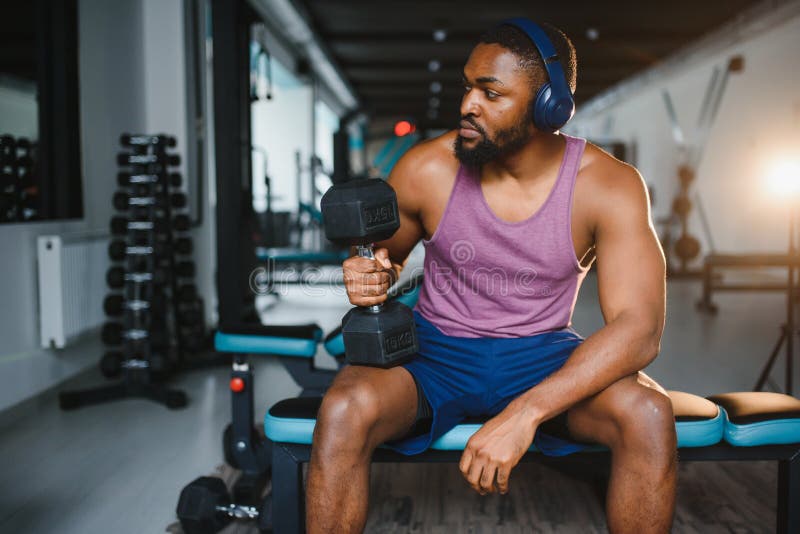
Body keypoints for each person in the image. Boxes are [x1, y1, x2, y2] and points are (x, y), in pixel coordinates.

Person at [307, 19, 676, 534]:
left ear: (549, 106)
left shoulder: (608, 185)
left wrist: (526, 413)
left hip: (544, 357)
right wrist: (367, 272)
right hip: (433, 354)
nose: (467, 105)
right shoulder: (427, 168)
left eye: (491, 92)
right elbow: (379, 257)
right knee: (344, 409)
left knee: (649, 415)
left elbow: (640, 329)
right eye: (467, 85)